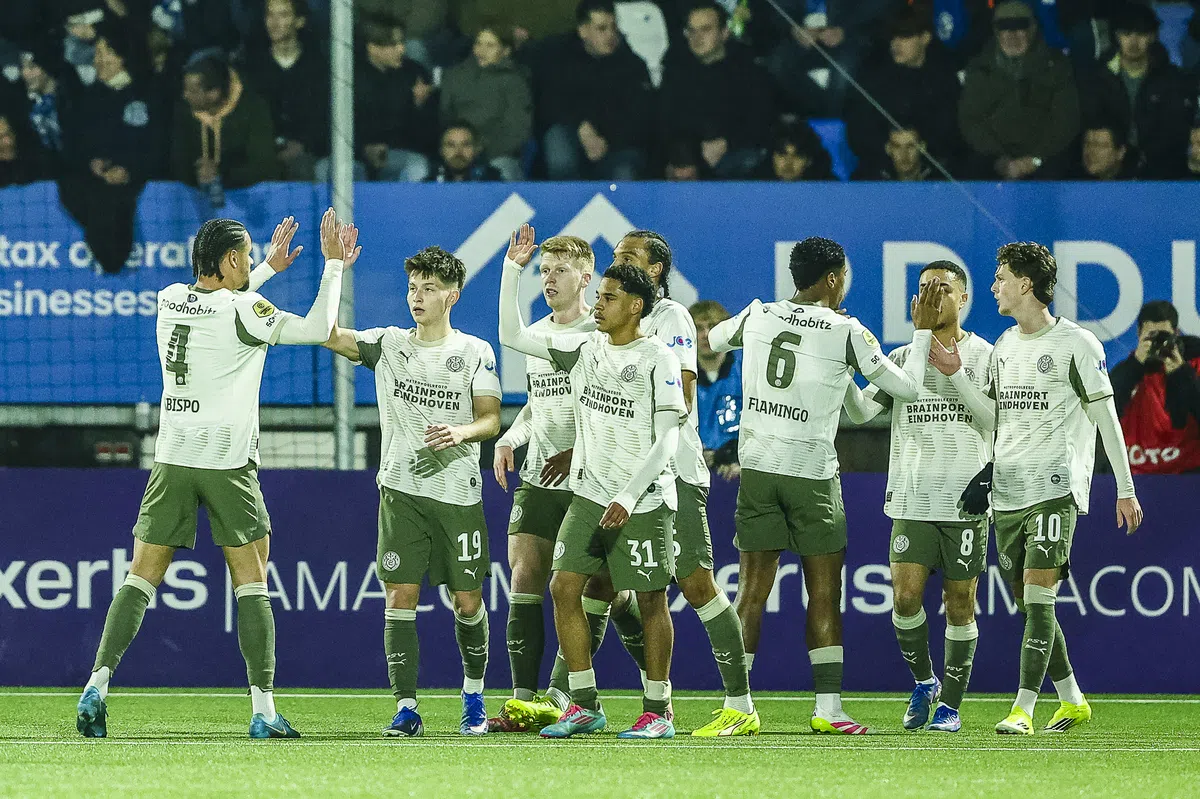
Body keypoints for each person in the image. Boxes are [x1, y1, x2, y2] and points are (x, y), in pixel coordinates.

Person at [75, 210, 357, 739]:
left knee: (140, 577)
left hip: (172, 456)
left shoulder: (168, 299)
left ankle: (97, 684)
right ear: (229, 259)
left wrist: (267, 269)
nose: (251, 263)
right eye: (246, 256)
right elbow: (318, 328)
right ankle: (264, 711)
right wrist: (334, 265)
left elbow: (224, 303)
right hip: (227, 462)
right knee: (252, 579)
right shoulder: (245, 309)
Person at [709, 237, 938, 735]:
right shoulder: (846, 331)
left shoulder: (759, 314)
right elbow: (908, 388)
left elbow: (717, 339)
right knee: (825, 593)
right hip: (812, 475)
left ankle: (737, 707)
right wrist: (920, 335)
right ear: (833, 278)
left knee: (750, 591)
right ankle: (829, 709)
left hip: (759, 470)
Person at [928, 241, 1142, 735]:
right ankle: (1072, 700)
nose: (994, 287)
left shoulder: (1078, 344)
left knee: (1040, 599)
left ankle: (1022, 708)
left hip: (1054, 486)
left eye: (1001, 278)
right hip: (1008, 491)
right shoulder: (1004, 346)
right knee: (1030, 605)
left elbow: (1106, 419)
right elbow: (994, 419)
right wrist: (957, 377)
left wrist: (1125, 488)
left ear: (1025, 284)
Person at [499, 225, 685, 740]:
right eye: (598, 295)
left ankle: (658, 710)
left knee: (650, 600)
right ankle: (583, 702)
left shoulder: (659, 359)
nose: (598, 305)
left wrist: (629, 494)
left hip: (644, 500)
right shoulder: (585, 349)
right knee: (563, 587)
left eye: (609, 298)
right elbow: (513, 336)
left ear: (636, 307)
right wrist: (512, 270)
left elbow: (668, 438)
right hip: (589, 495)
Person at [322, 247, 502, 739]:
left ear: (451, 296)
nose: (416, 297)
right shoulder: (388, 344)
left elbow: (490, 418)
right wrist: (334, 267)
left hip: (458, 495)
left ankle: (473, 695)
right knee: (401, 594)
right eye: (412, 288)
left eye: (428, 289)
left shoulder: (475, 351)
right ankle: (406, 708)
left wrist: (461, 432)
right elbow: (327, 333)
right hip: (401, 492)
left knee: (468, 601)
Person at [609, 230, 759, 736]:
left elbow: (684, 401)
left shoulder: (671, 317)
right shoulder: (609, 321)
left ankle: (741, 704)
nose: (617, 262)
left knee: (695, 584)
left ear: (654, 270)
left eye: (628, 256)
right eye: (615, 255)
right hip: (622, 475)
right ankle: (621, 704)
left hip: (675, 470)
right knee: (608, 587)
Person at [842, 261, 993, 734]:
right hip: (912, 498)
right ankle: (925, 682)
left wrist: (957, 374)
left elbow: (996, 421)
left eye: (942, 288)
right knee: (906, 599)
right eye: (924, 288)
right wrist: (840, 369)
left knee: (960, 602)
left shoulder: (988, 356)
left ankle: (951, 705)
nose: (931, 296)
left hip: (965, 500)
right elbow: (861, 412)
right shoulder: (903, 356)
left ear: (963, 298)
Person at [958, 1, 1079, 180]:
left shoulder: (1057, 66)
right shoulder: (979, 69)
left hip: (1045, 159)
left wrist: (1035, 159)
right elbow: (970, 120)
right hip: (993, 160)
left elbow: (1066, 120)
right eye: (1005, 28)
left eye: (1020, 28)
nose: (1012, 36)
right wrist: (998, 158)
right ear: (996, 31)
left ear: (1033, 29)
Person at [1076, 3, 1197, 179]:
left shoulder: (1172, 78)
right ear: (1115, 36)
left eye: (1141, 34)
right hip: (1113, 166)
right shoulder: (1098, 77)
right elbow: (1093, 122)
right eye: (1126, 34)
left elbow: (1176, 130)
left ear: (1152, 37)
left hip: (1161, 167)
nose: (1133, 42)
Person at [537, 0, 653, 180]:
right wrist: (581, 126)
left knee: (624, 172)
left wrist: (605, 139)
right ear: (583, 31)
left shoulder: (633, 67)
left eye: (613, 27)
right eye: (601, 29)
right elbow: (548, 103)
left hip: (618, 147)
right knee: (559, 149)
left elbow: (642, 119)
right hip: (574, 135)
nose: (610, 35)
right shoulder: (559, 59)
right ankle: (564, 198)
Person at [660, 2, 773, 179]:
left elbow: (761, 120)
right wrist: (683, 157)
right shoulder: (675, 71)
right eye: (691, 31)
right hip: (687, 155)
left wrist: (726, 142)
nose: (697, 37)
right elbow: (666, 121)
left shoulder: (747, 70)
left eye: (705, 29)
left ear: (724, 33)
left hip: (734, 151)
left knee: (749, 160)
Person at [844, 8, 962, 176]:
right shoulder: (873, 73)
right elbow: (858, 129)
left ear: (925, 38)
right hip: (881, 165)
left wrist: (922, 153)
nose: (896, 44)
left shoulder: (943, 75)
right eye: (893, 37)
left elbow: (950, 129)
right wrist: (890, 154)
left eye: (905, 37)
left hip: (932, 167)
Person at [171, 49, 280, 199]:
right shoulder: (184, 110)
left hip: (247, 197)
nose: (185, 95)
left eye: (192, 91)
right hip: (197, 197)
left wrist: (221, 174)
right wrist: (196, 174)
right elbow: (178, 161)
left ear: (214, 94)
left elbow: (264, 166)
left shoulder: (254, 109)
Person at [241, 0, 329, 181]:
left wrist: (304, 145)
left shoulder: (318, 66)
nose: (274, 22)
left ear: (299, 21)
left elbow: (324, 115)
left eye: (283, 15)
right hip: (261, 152)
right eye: (270, 15)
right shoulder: (252, 66)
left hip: (306, 153)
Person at [1110, 301, 1200, 474]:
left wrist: (1181, 373)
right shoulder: (1127, 372)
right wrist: (1135, 364)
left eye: (1164, 336)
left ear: (1176, 333)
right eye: (1152, 336)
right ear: (1139, 334)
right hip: (1138, 472)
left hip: (1187, 473)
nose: (1158, 342)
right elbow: (1108, 407)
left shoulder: (1194, 367)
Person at [440, 25, 533, 181]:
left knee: (502, 172)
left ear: (506, 51)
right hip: (456, 151)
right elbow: (445, 118)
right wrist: (458, 149)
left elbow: (517, 130)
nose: (481, 51)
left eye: (490, 45)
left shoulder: (516, 81)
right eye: (478, 43)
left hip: (498, 155)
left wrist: (479, 152)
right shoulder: (454, 76)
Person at [351, 16, 437, 182]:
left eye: (402, 42)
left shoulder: (414, 73)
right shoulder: (350, 75)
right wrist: (363, 149)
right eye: (393, 44)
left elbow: (427, 137)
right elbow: (330, 125)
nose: (402, 49)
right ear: (372, 48)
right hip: (353, 154)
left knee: (417, 167)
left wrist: (419, 105)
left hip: (397, 152)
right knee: (330, 169)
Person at [690, 300, 742, 479]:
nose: (705, 335)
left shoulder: (747, 372)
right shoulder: (677, 377)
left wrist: (736, 458)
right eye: (698, 328)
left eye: (712, 327)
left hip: (736, 473)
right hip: (691, 473)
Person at [852, 126, 938, 181]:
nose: (904, 154)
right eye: (897, 146)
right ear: (888, 149)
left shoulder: (939, 177)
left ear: (922, 147)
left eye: (910, 146)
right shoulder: (872, 180)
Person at [426, 123, 502, 183]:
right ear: (441, 150)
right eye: (451, 145)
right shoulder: (429, 184)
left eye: (466, 145)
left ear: (477, 149)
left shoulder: (494, 182)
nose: (458, 152)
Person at [759, 121, 834, 181]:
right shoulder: (754, 183)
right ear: (772, 157)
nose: (788, 163)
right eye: (782, 154)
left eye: (798, 156)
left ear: (809, 161)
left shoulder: (831, 187)